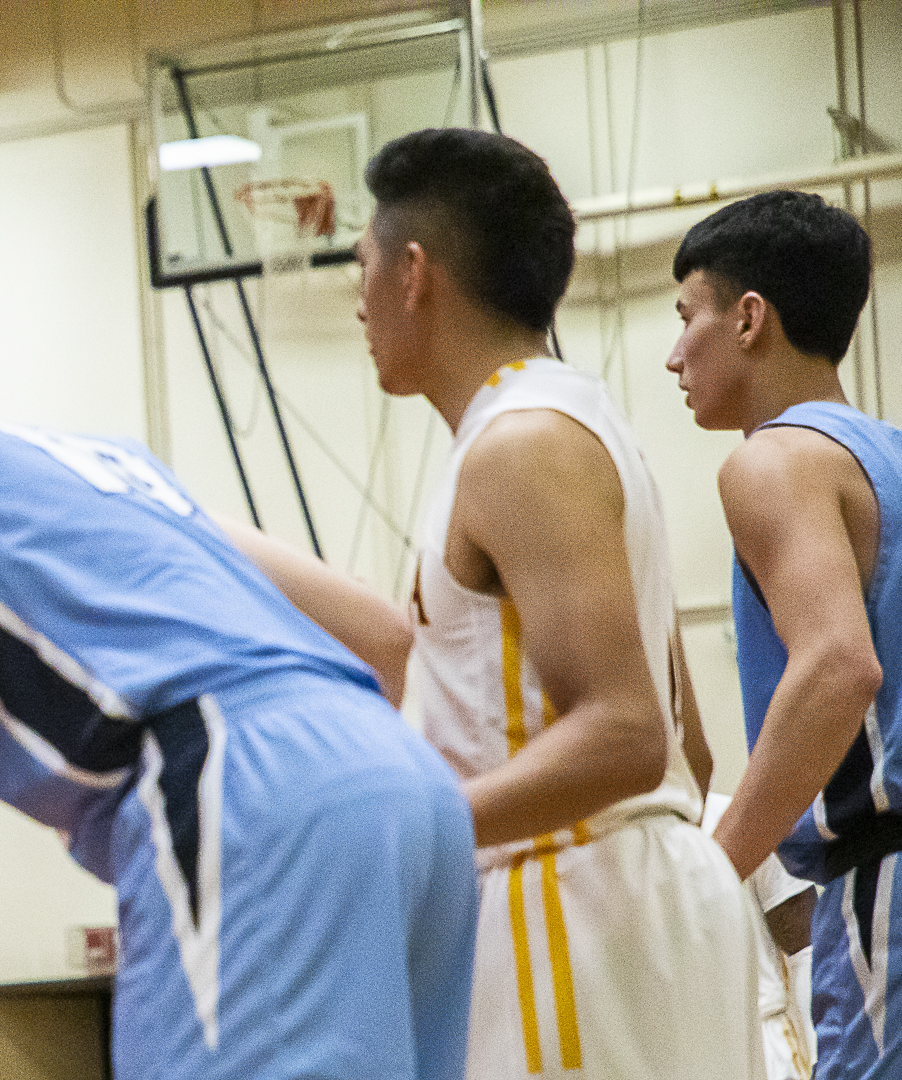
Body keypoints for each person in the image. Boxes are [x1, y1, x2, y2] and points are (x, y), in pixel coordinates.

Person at [0, 282, 479, 1076]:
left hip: (235, 783)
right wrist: (326, 793)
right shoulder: (85, 465)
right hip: (406, 784)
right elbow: (381, 634)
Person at [224, 128, 763, 1079]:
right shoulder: (559, 424)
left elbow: (629, 733)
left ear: (414, 273)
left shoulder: (520, 446)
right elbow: (690, 741)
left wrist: (406, 824)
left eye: (362, 264)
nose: (356, 300)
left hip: (578, 909)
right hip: (618, 910)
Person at [666, 189, 902, 1079]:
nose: (671, 354)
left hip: (892, 882)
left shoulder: (772, 458)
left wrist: (708, 869)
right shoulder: (897, 456)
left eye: (686, 316)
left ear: (749, 318)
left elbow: (839, 664)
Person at [703, 794, 817, 1080]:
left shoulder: (738, 817)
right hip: (689, 1051)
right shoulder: (614, 846)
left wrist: (818, 1056)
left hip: (767, 1048)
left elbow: (805, 949)